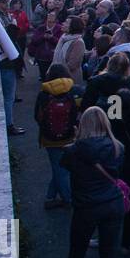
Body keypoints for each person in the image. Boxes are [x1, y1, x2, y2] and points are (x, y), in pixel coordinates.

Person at [58, 107, 126, 258]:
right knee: (109, 254)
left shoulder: (72, 151)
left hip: (86, 206)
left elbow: (65, 165)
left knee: (77, 252)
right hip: (112, 204)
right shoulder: (117, 148)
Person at [35, 62, 82, 210]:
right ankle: (68, 199)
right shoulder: (75, 91)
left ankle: (54, 198)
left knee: (59, 169)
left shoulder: (43, 94)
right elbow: (81, 113)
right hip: (70, 136)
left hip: (49, 139)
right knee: (63, 170)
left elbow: (37, 116)